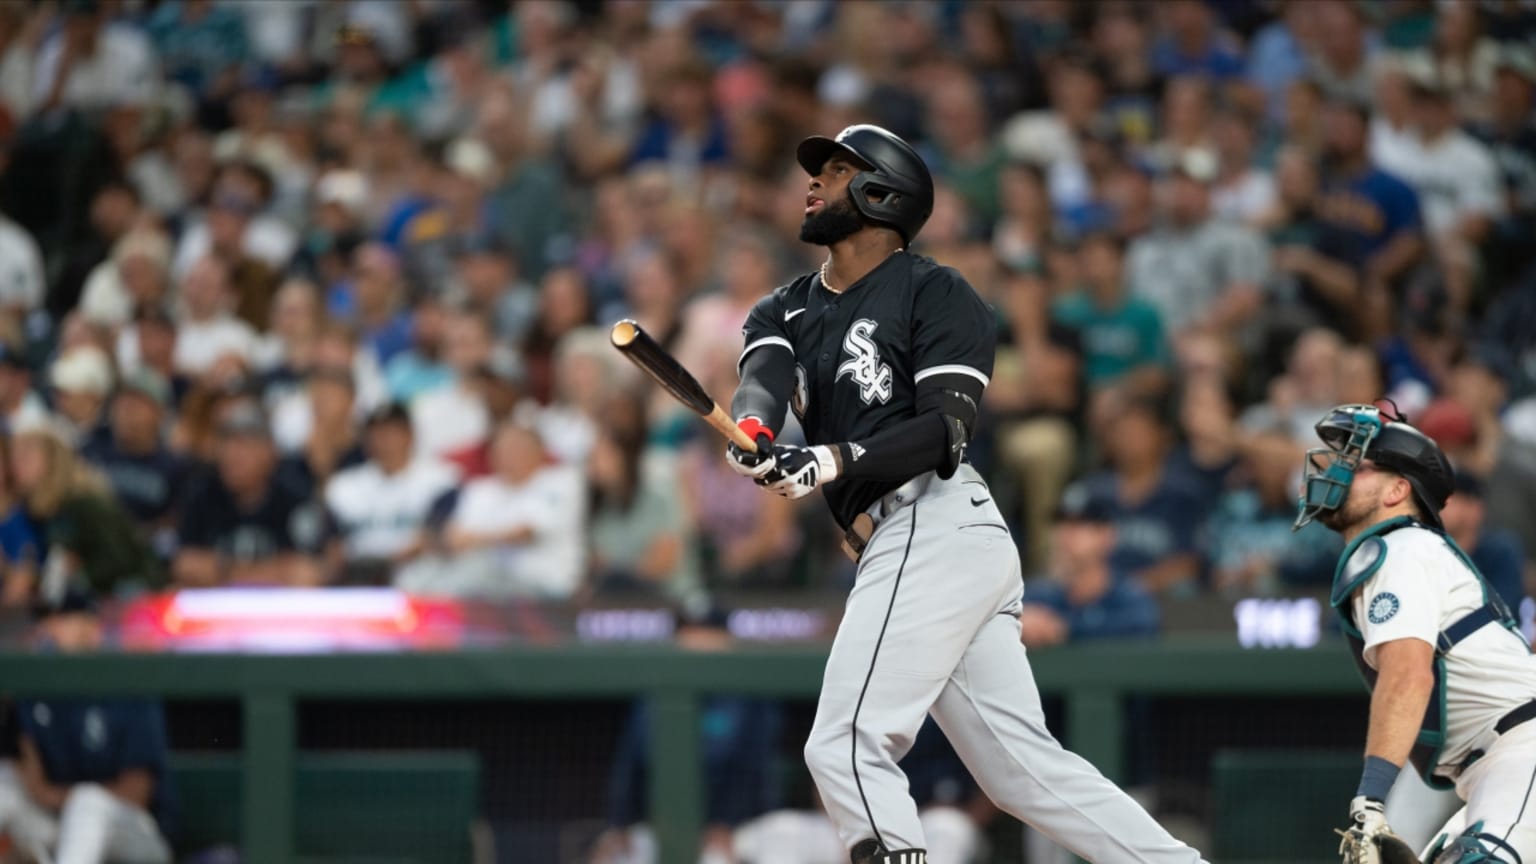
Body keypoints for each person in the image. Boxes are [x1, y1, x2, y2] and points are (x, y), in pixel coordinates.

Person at [726, 124, 1203, 863]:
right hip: (920, 542)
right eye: (817, 170)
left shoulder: (937, 290)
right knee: (1023, 773)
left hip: (932, 518)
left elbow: (944, 430)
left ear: (884, 193)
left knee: (846, 744)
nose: (815, 182)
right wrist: (755, 428)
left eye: (839, 169)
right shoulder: (785, 306)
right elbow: (762, 379)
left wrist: (827, 458)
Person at [1294, 402, 1536, 861]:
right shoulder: (1406, 551)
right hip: (1492, 766)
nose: (1337, 471)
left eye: (1357, 464)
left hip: (1523, 746)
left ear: (1397, 490)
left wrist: (1370, 799)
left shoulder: (1401, 547)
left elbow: (1408, 674)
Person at [0, 583, 173, 864]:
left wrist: (55, 796)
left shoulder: (126, 684)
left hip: (135, 833)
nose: (50, 630)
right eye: (45, 619)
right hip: (60, 828)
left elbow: (136, 792)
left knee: (87, 802)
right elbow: (28, 769)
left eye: (63, 619)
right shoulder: (34, 690)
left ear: (93, 628)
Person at [173, 399, 326, 586]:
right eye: (226, 444)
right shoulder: (202, 495)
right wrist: (274, 572)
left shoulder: (294, 499)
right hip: (216, 610)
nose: (231, 455)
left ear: (269, 453)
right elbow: (185, 566)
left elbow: (307, 572)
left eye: (243, 445)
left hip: (280, 611)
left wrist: (223, 572)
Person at [323, 402, 457, 584]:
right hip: (357, 576)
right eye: (376, 433)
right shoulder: (344, 485)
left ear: (410, 435)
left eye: (391, 432)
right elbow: (333, 545)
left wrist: (387, 562)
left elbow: (435, 535)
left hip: (419, 576)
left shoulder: (441, 479)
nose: (383, 439)